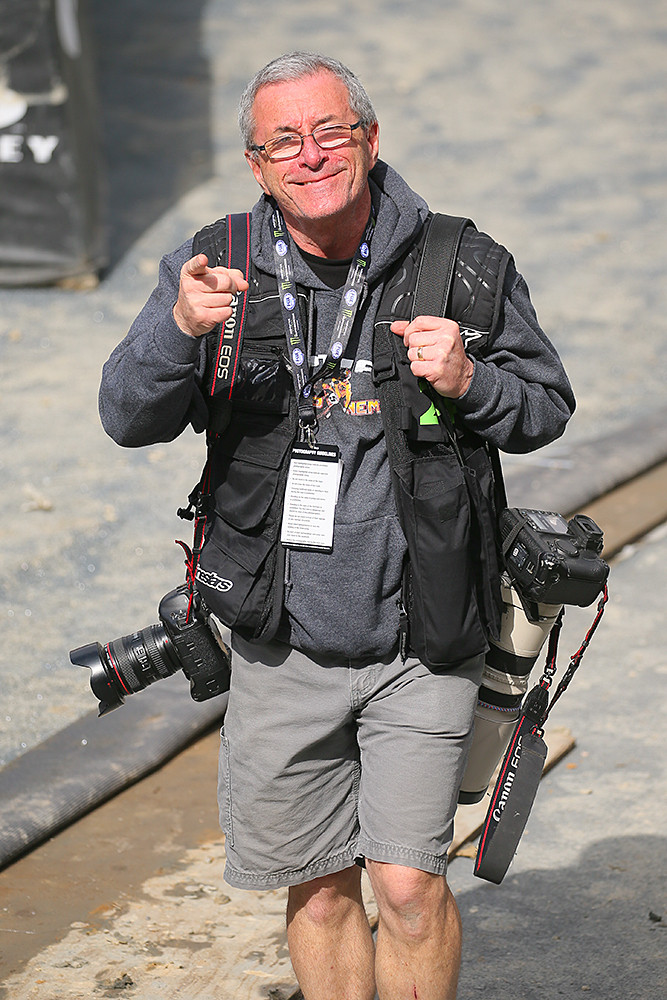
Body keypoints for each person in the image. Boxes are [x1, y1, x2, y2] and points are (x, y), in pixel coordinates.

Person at [99, 52, 575, 1000]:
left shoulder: (463, 263)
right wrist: (178, 331)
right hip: (280, 641)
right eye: (284, 142)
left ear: (369, 138)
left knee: (407, 888)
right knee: (318, 894)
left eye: (329, 131)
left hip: (423, 637)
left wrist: (469, 380)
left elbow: (545, 407)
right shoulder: (215, 267)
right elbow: (125, 415)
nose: (309, 155)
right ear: (256, 163)